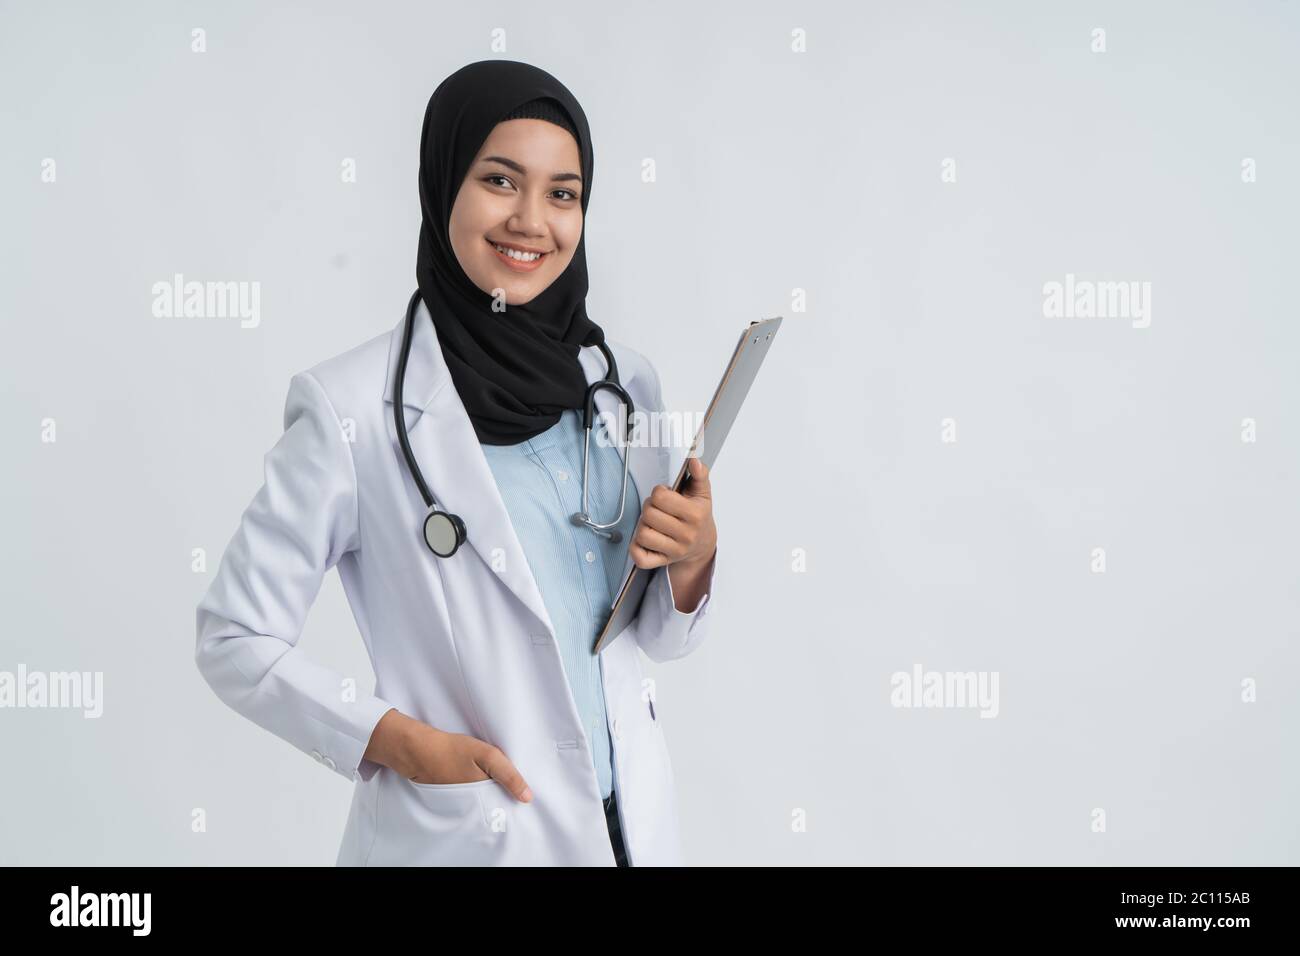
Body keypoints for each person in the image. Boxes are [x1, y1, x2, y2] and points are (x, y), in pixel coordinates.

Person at [194, 59, 719, 866]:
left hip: (629, 833)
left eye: (563, 193)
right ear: (444, 187)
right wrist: (395, 741)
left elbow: (655, 640)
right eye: (500, 181)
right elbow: (234, 635)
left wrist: (693, 561)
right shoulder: (351, 410)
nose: (532, 221)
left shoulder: (622, 384)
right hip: (475, 839)